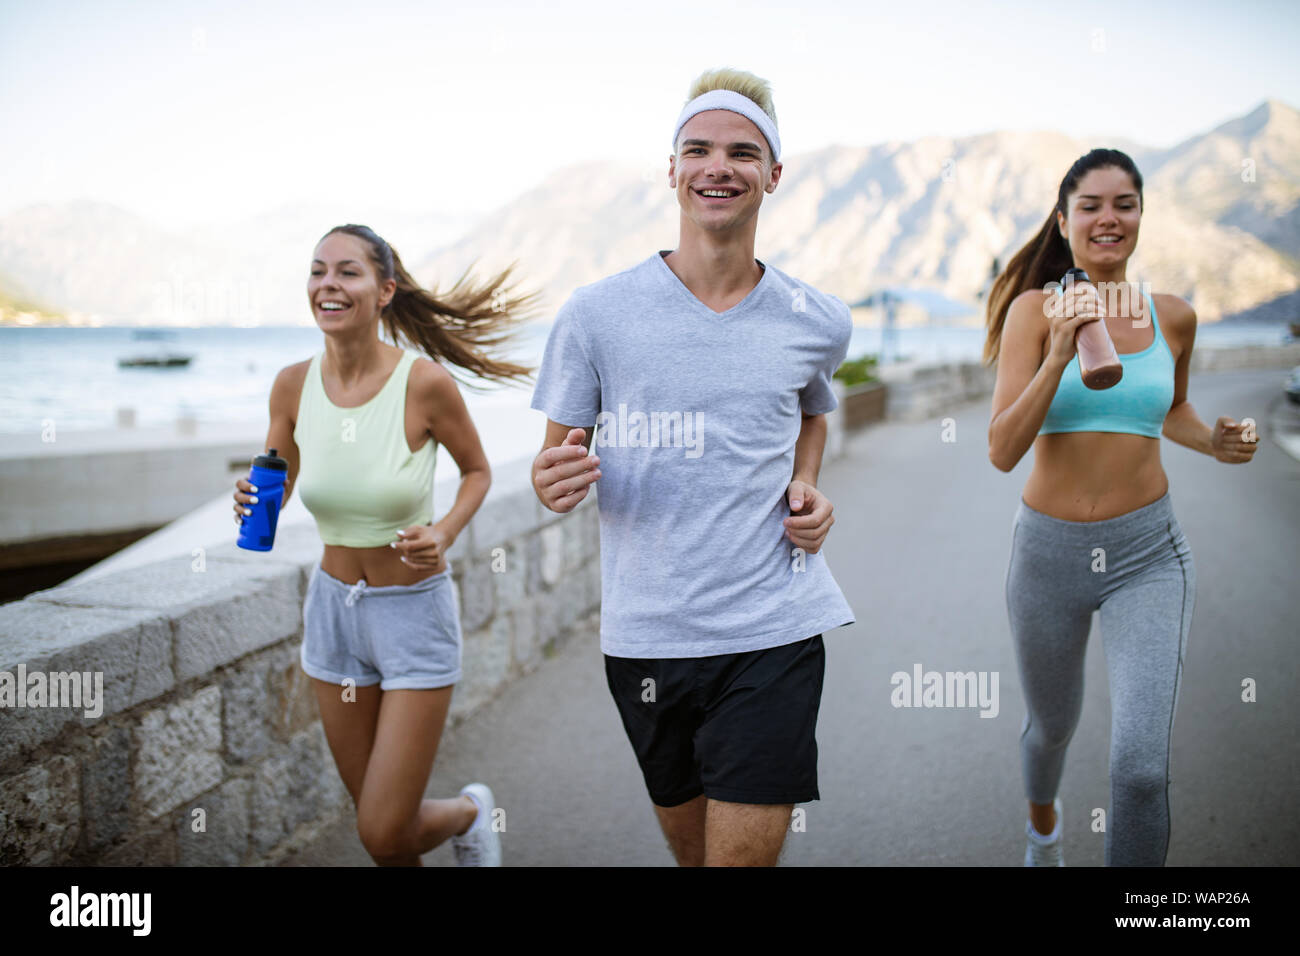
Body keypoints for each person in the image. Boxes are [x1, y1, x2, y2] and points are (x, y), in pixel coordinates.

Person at [529, 68, 856, 867]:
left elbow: (813, 409)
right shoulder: (596, 314)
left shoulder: (815, 320)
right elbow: (552, 458)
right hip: (647, 638)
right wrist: (551, 481)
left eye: (743, 152)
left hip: (772, 628)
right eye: (698, 149)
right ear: (670, 169)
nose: (719, 166)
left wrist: (806, 481)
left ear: (773, 176)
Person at [985, 149, 1259, 866]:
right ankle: (1043, 830)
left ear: (1141, 215)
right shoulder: (1030, 312)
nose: (1110, 218)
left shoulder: (1174, 317)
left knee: (1139, 768)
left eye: (1125, 204)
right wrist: (1057, 354)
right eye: (1092, 205)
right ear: (1064, 219)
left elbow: (1170, 412)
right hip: (1047, 557)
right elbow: (1002, 448)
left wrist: (1216, 439)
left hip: (1148, 556)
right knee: (1051, 727)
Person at [233, 224, 536, 866]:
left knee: (381, 828)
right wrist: (251, 499)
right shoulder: (292, 386)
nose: (327, 284)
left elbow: (477, 471)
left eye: (347, 272)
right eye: (318, 271)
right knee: (386, 838)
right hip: (333, 614)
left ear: (384, 291)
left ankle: (469, 813)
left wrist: (444, 532)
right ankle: (462, 820)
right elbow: (277, 486)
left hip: (412, 615)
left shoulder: (422, 384)